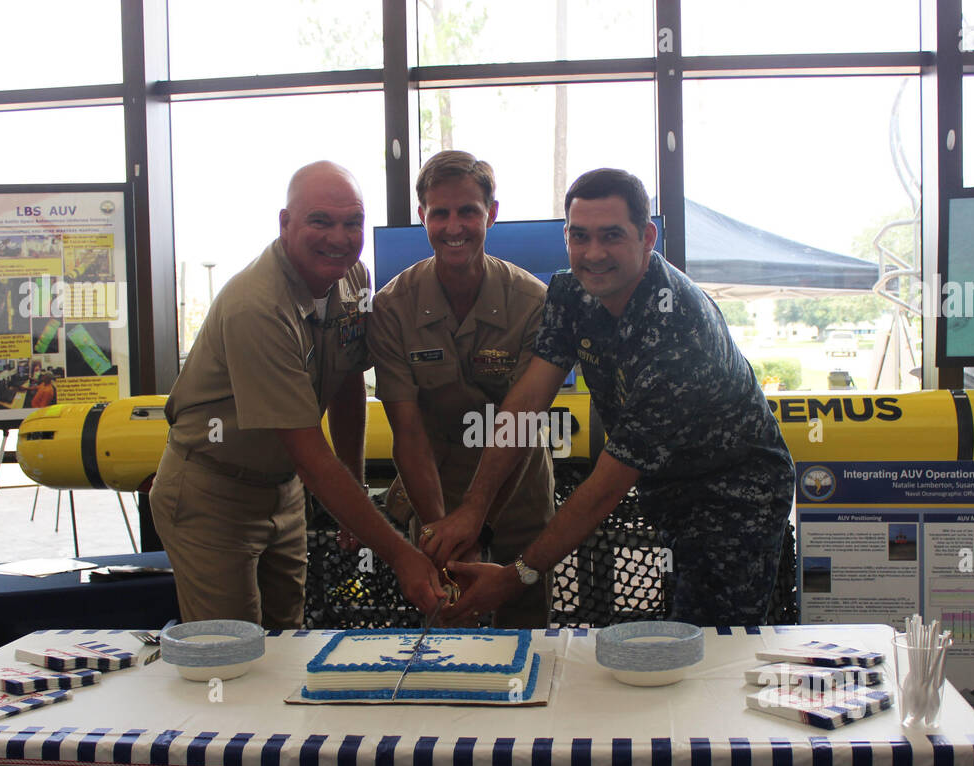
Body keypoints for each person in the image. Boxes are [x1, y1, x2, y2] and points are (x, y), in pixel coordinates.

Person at [423, 168, 795, 627]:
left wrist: (516, 575)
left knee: (715, 645)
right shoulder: (570, 292)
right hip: (668, 486)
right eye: (580, 236)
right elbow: (525, 405)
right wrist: (473, 511)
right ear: (566, 236)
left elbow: (604, 489)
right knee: (684, 630)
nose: (593, 254)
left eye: (611, 236)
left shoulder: (676, 331)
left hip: (736, 493)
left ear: (648, 237)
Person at [150, 161, 445, 627]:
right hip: (213, 492)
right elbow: (309, 452)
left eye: (353, 223)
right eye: (320, 221)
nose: (339, 237)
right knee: (235, 653)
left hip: (284, 490)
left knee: (285, 642)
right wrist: (401, 555)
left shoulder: (352, 278)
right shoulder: (258, 308)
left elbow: (348, 382)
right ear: (285, 224)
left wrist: (354, 490)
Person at [368, 151, 554, 628]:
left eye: (468, 211)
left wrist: (479, 520)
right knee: (443, 632)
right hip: (436, 494)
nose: (455, 226)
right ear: (422, 217)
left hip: (517, 494)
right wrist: (441, 533)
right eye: (440, 213)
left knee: (525, 634)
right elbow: (407, 431)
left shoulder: (534, 302)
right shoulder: (392, 308)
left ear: (491, 213)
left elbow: (520, 421)